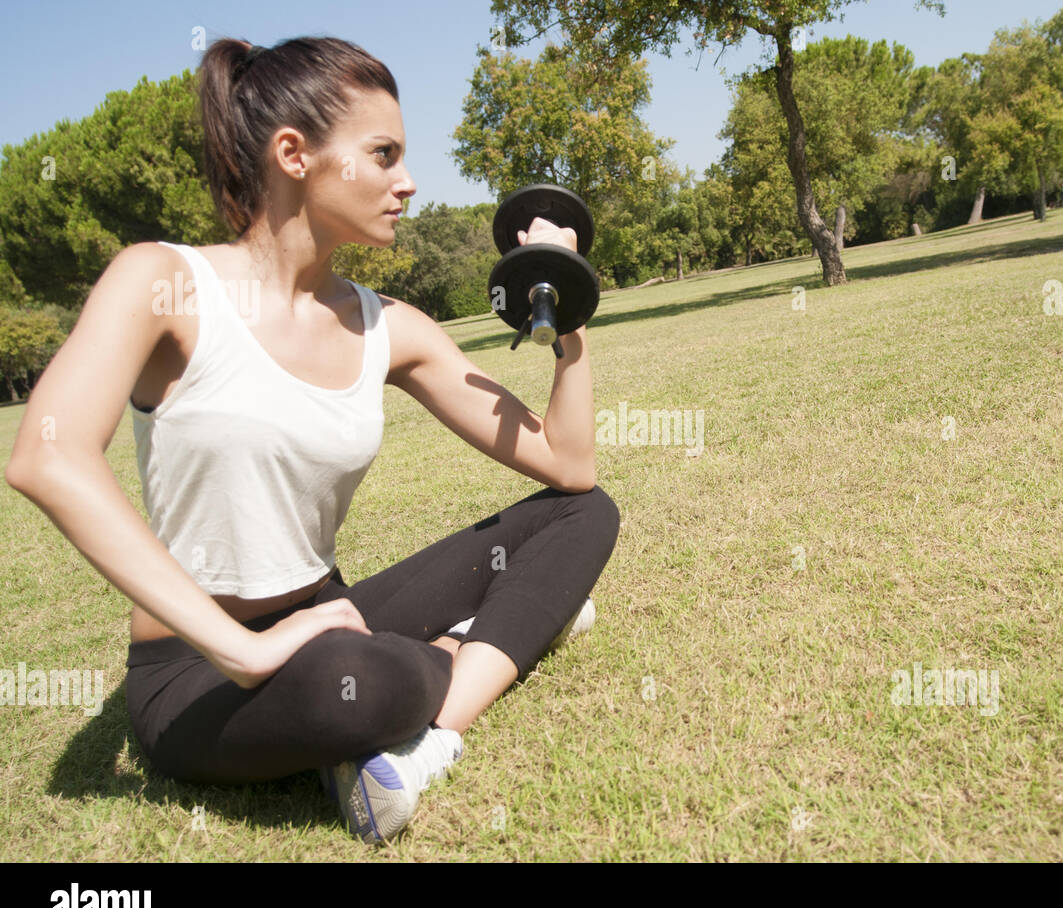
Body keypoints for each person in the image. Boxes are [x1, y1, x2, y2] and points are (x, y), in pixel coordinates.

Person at [2, 36, 620, 845]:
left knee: (586, 515)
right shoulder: (164, 282)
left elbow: (569, 465)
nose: (408, 181)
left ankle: (432, 736)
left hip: (329, 615)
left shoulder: (390, 325)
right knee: (346, 683)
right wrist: (244, 652)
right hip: (198, 671)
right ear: (294, 155)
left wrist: (561, 300)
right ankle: (499, 637)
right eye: (384, 154)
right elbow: (46, 454)